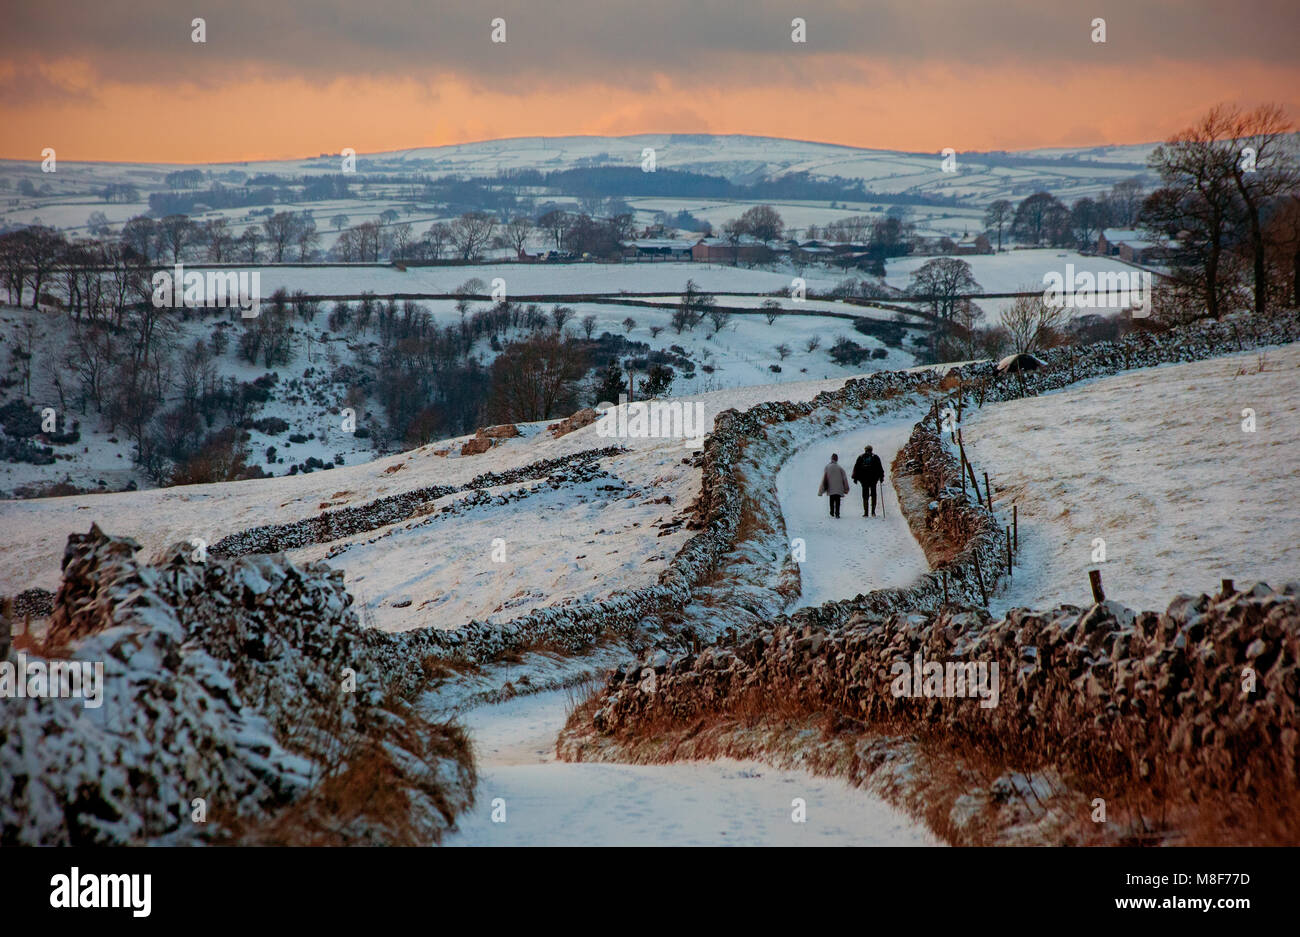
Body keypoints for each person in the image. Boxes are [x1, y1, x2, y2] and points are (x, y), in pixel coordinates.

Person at [852, 444, 886, 517]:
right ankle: (873, 512)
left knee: (865, 495)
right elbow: (880, 468)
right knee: (874, 494)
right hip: (873, 479)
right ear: (871, 450)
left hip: (864, 480)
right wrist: (881, 477)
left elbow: (856, 468)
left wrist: (855, 478)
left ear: (865, 450)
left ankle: (866, 513)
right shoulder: (875, 457)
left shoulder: (861, 457)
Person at [818, 453, 850, 518]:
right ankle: (837, 513)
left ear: (831, 459)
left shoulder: (827, 467)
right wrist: (846, 488)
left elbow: (824, 479)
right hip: (839, 489)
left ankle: (832, 512)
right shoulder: (840, 468)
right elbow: (844, 479)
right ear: (837, 459)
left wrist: (821, 491)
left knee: (831, 500)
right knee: (838, 501)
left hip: (831, 488)